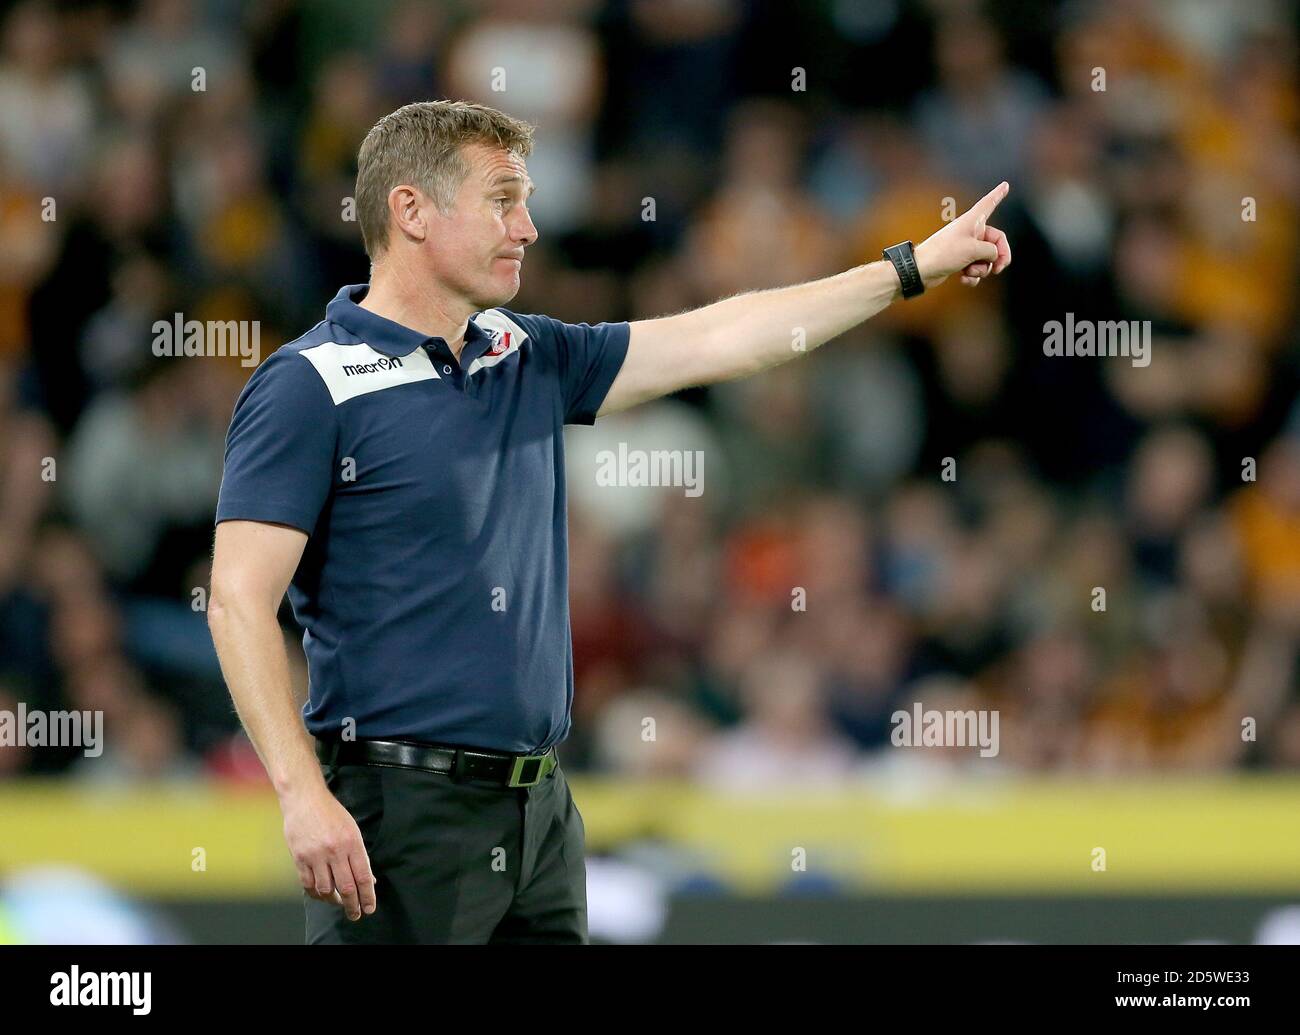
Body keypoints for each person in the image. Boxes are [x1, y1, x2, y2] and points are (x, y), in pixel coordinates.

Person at [206, 99, 1011, 945]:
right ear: (410, 210)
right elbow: (235, 601)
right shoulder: (310, 384)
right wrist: (302, 796)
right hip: (400, 813)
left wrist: (908, 269)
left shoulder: (527, 354)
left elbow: (721, 338)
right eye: (503, 199)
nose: (529, 227)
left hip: (541, 809)